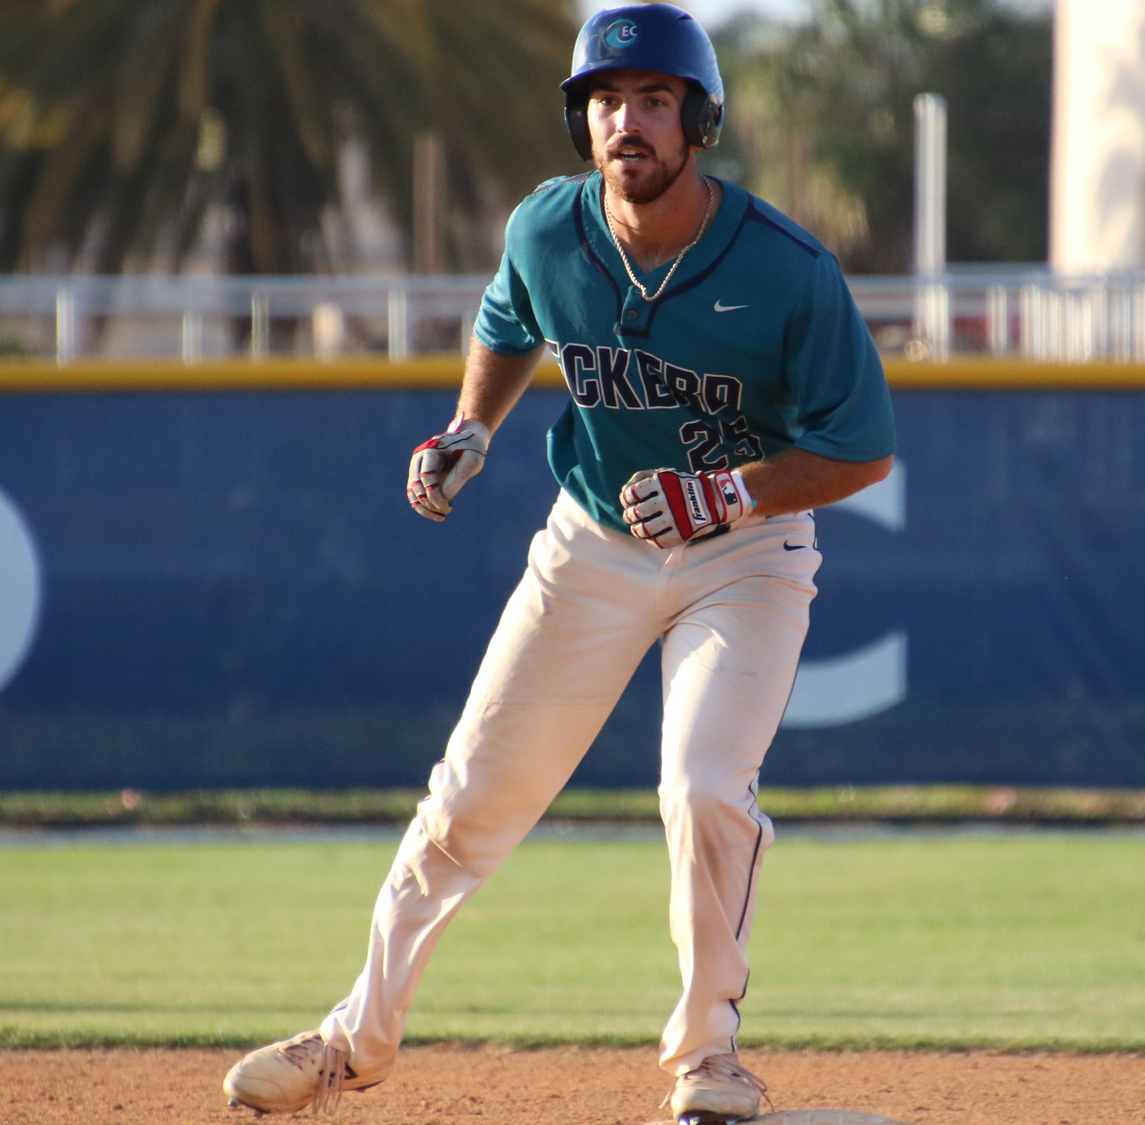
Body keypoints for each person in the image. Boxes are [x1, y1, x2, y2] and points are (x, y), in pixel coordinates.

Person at [222, 6, 895, 1122]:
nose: (626, 121)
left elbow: (861, 447)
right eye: (605, 101)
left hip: (744, 555)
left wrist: (725, 491)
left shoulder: (786, 270)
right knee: (468, 799)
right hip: (590, 544)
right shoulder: (547, 227)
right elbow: (507, 322)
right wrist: (471, 428)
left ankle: (708, 1059)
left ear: (699, 122)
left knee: (702, 789)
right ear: (581, 123)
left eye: (653, 100)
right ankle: (352, 1041)